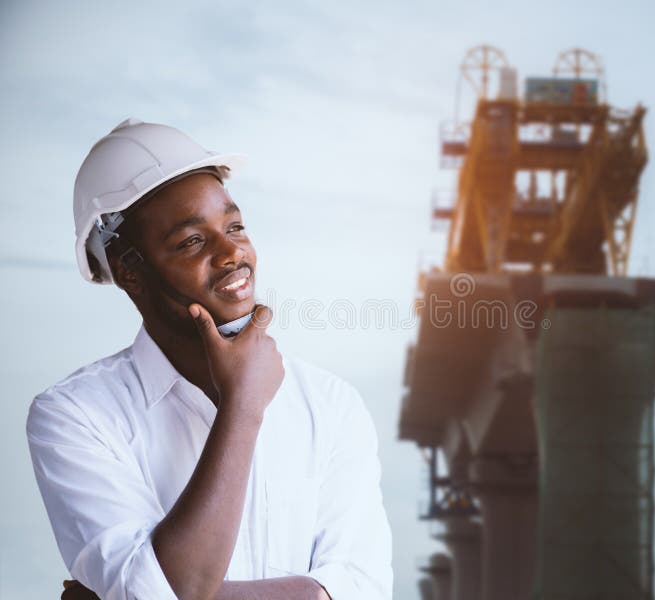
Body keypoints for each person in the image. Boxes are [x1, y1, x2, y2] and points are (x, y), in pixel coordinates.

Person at [26, 119, 393, 600]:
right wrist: (243, 406)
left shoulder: (330, 405)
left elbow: (363, 589)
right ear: (129, 271)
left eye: (235, 227)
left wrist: (151, 588)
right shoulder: (76, 416)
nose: (232, 252)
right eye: (191, 241)